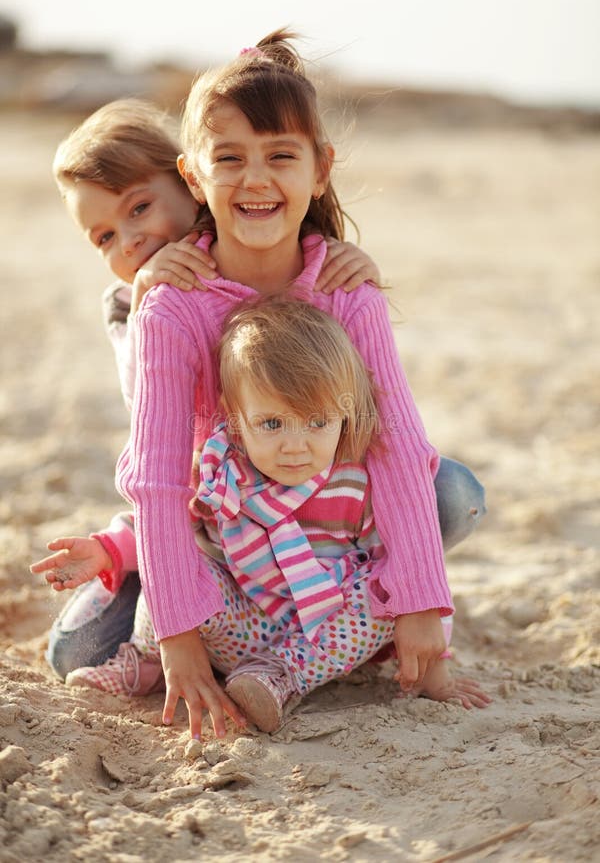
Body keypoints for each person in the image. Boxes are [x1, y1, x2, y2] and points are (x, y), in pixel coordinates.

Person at [110, 28, 486, 741]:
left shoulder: (346, 291)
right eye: (229, 160)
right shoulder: (176, 303)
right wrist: (180, 641)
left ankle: (291, 652)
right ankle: (152, 587)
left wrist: (418, 603)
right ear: (194, 177)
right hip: (221, 534)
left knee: (452, 496)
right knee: (82, 651)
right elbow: (159, 478)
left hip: (326, 525)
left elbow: (394, 443)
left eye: (281, 157)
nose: (256, 180)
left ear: (319, 171)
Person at [32, 96, 384, 683]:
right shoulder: (136, 305)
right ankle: (159, 572)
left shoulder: (261, 251)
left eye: (141, 208)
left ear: (189, 180)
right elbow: (151, 433)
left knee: (448, 492)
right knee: (73, 652)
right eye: (104, 237)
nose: (129, 240)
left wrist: (346, 257)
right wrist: (146, 302)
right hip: (199, 503)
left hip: (309, 483)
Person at [35, 299, 490, 731]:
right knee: (173, 563)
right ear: (236, 418)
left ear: (345, 416)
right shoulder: (220, 472)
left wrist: (436, 671)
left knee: (390, 591)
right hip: (236, 623)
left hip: (317, 638)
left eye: (317, 423)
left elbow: (406, 571)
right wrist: (105, 551)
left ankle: (278, 679)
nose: (295, 445)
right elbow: (159, 532)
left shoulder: (356, 485)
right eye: (272, 424)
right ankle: (149, 662)